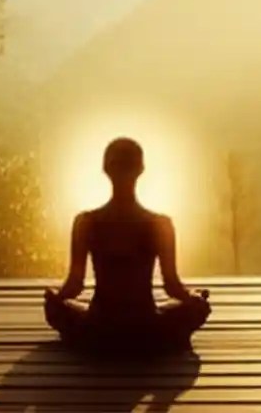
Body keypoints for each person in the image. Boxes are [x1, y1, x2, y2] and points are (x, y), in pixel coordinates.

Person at [44, 137, 211, 356]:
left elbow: (74, 285)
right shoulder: (160, 224)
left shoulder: (86, 222)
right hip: (145, 327)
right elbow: (172, 286)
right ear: (141, 169)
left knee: (55, 310)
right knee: (198, 309)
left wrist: (55, 298)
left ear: (106, 169)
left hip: (100, 327)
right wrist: (194, 297)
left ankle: (105, 346)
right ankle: (148, 346)